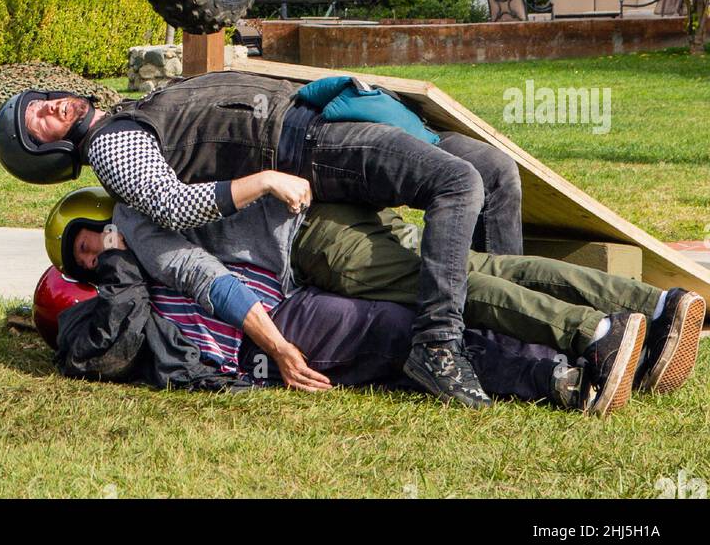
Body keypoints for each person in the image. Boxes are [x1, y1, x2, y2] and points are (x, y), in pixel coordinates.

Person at [0, 70, 523, 407]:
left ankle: (510, 336)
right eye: (38, 120)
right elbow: (173, 206)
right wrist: (265, 180)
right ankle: (438, 346)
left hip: (324, 112)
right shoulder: (111, 145)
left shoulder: (135, 109)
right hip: (309, 144)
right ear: (46, 156)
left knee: (497, 172)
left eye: (42, 99)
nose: (51, 105)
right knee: (457, 182)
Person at [56, 192, 704, 417]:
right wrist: (113, 260)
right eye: (86, 255)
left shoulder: (157, 222)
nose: (98, 253)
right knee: (413, 329)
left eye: (96, 242)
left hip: (292, 297)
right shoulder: (128, 279)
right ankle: (601, 347)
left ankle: (608, 337)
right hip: (279, 317)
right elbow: (116, 332)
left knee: (443, 300)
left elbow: (217, 275)